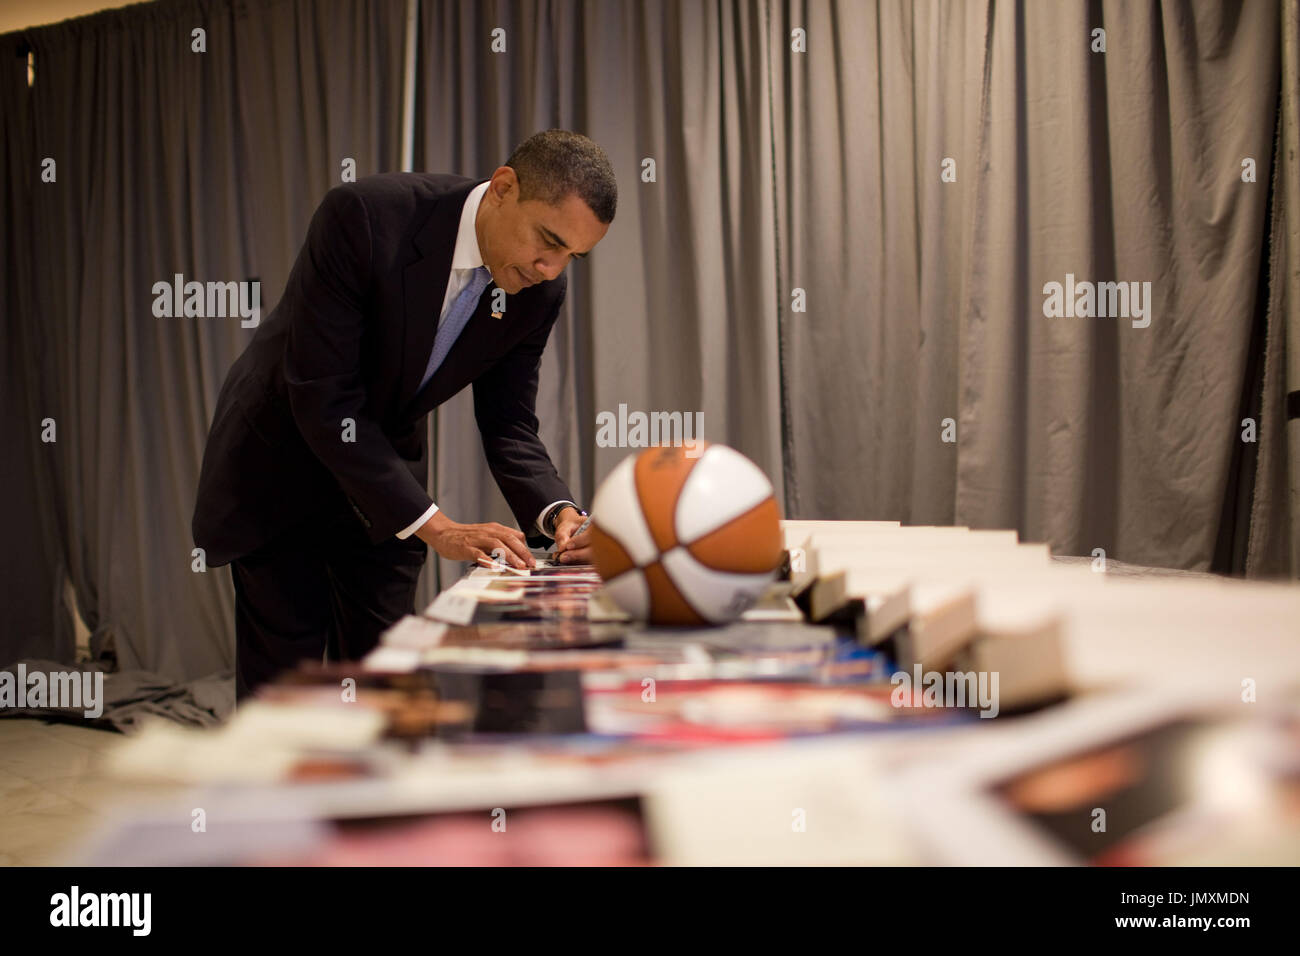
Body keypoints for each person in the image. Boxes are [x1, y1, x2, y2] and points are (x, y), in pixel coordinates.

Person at [192, 129, 616, 699]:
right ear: (503, 187)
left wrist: (557, 511)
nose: (551, 268)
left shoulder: (537, 293)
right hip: (280, 462)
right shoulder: (367, 216)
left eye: (572, 256)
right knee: (284, 699)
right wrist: (439, 527)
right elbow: (323, 395)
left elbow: (509, 421)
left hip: (386, 488)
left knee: (385, 686)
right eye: (548, 240)